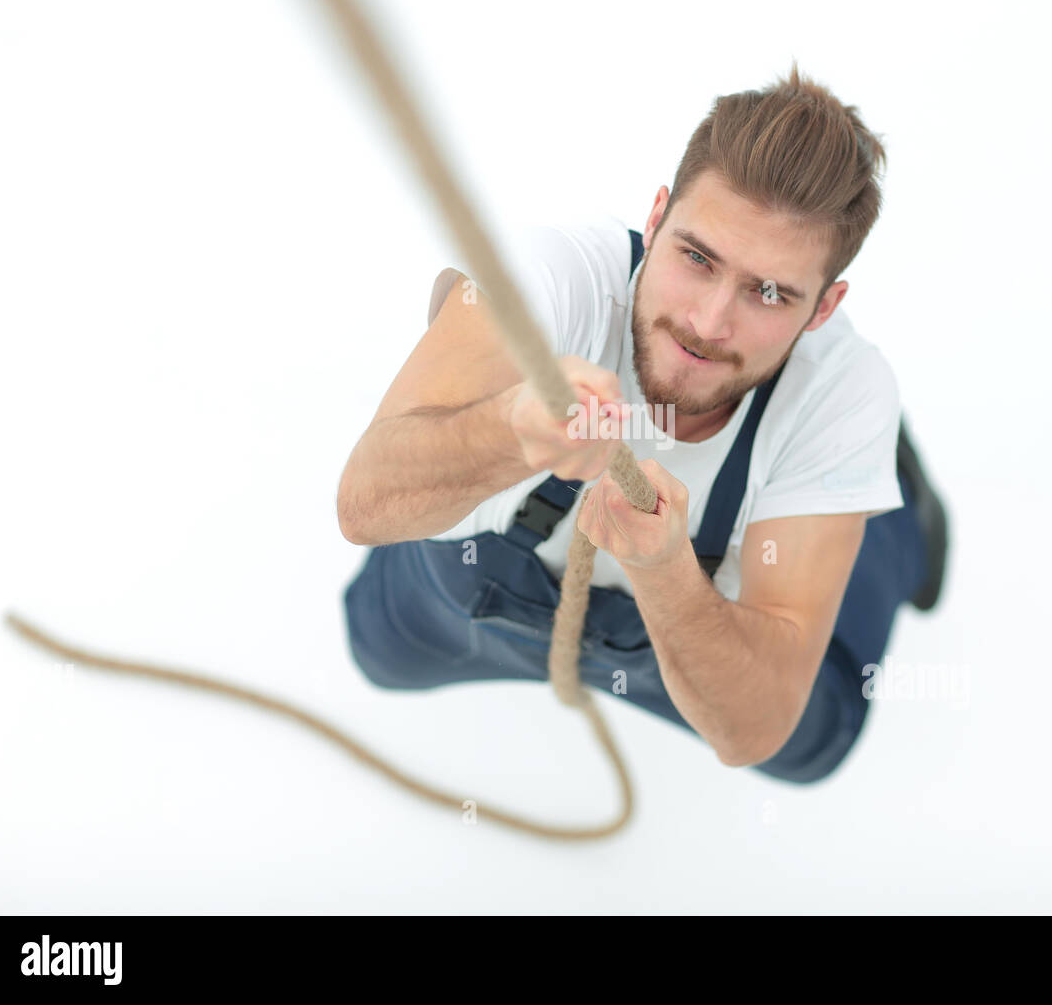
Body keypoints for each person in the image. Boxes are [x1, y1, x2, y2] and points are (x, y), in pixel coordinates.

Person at [336, 62, 948, 784]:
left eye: (771, 293)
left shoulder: (844, 391)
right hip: (488, 588)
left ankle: (885, 505)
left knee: (813, 739)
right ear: (654, 217)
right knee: (378, 645)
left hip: (697, 615)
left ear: (822, 310)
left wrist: (666, 572)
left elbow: (758, 726)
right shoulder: (554, 276)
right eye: (696, 257)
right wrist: (512, 430)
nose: (708, 322)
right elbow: (363, 503)